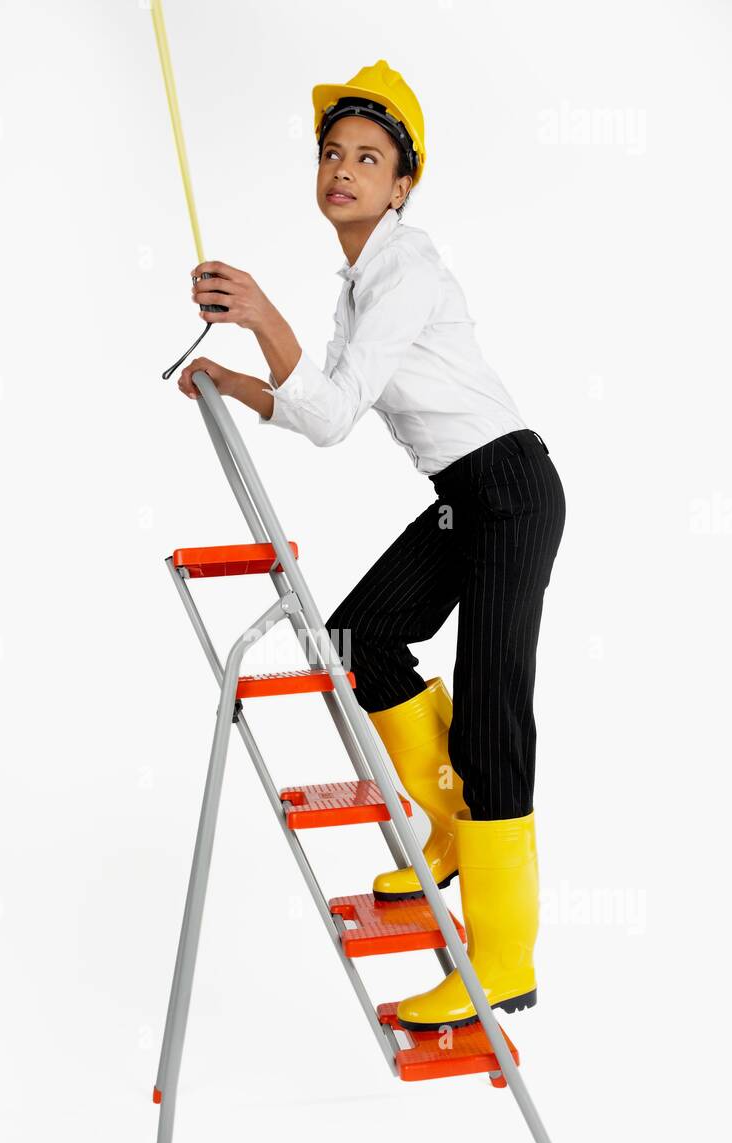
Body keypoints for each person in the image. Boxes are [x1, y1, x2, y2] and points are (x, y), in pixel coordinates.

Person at [176, 61, 566, 1032]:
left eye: (367, 158)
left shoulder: (409, 268)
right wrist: (240, 377)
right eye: (331, 154)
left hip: (509, 488)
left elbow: (336, 410)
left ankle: (503, 959)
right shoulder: (361, 284)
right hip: (461, 496)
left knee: (490, 712)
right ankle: (441, 828)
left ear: (401, 184)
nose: (342, 170)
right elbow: (319, 409)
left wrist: (263, 319)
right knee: (360, 635)